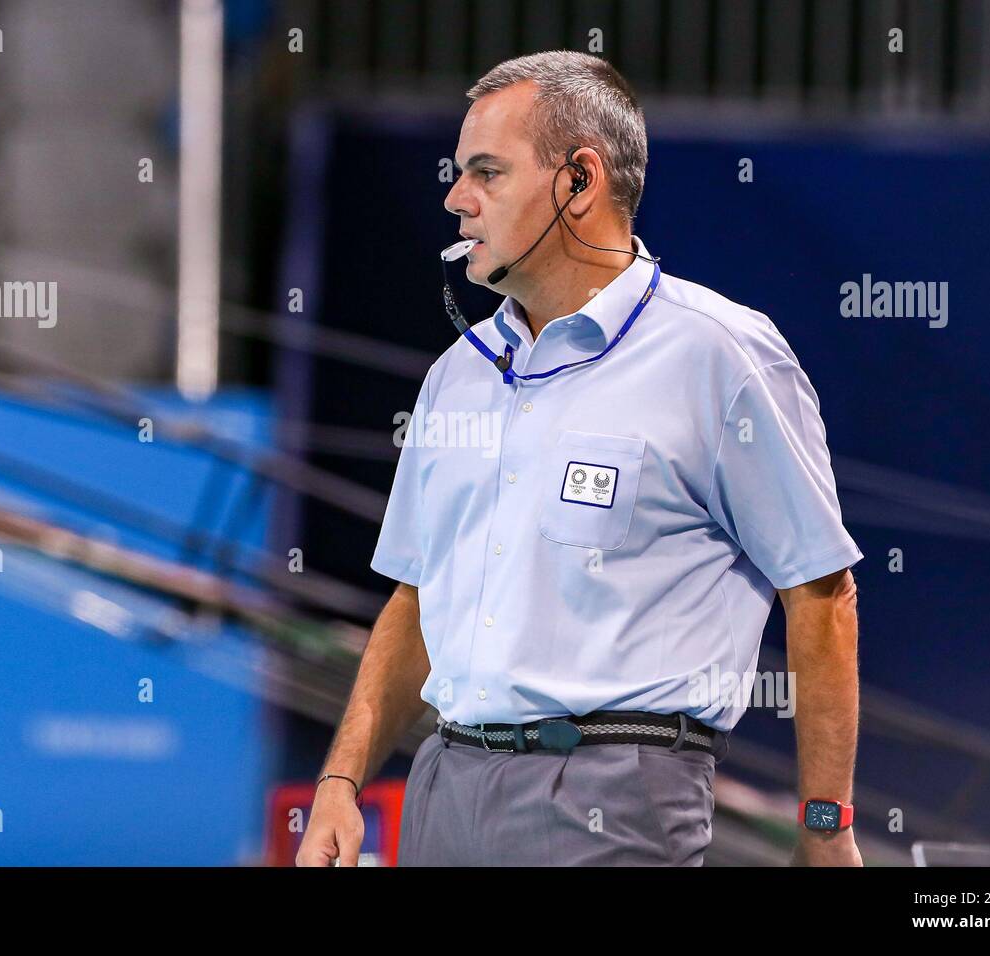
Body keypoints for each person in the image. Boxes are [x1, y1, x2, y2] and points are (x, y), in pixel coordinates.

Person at [297, 50, 863, 867]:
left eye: (487, 172)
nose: (457, 200)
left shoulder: (721, 356)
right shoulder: (455, 375)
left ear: (579, 181)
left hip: (614, 799)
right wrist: (340, 784)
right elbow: (415, 599)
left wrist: (824, 830)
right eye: (459, 174)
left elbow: (821, 595)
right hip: (442, 792)